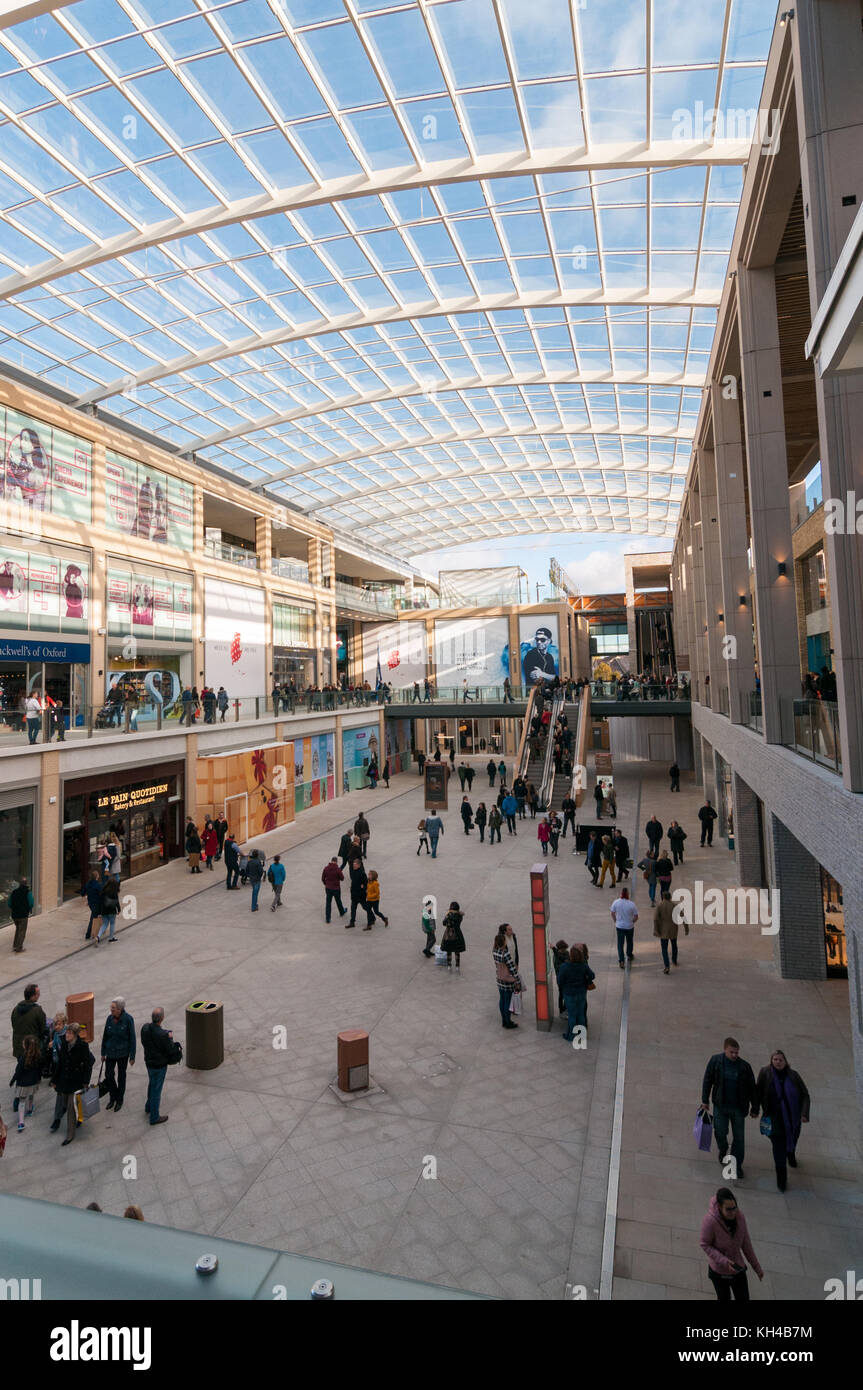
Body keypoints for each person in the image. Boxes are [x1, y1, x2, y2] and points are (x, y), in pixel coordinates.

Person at [699, 1038, 758, 1179]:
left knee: (739, 1138)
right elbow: (708, 1080)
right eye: (731, 1052)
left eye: (736, 1053)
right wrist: (704, 1100)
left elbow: (752, 1088)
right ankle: (723, 1148)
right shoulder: (716, 1061)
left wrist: (755, 1107)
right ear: (725, 1049)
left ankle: (736, 1166)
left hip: (738, 1108)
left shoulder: (745, 1067)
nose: (734, 1055)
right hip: (721, 1105)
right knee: (719, 1130)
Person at [753, 1050, 810, 1192]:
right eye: (775, 1059)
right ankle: (782, 1179)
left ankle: (791, 1154)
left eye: (780, 1060)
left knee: (792, 1139)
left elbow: (805, 1095)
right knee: (778, 1150)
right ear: (771, 1061)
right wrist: (755, 1109)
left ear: (786, 1062)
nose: (778, 1062)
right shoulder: (765, 1073)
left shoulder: (793, 1075)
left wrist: (804, 1114)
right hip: (774, 1119)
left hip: (792, 1118)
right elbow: (758, 1092)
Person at [700, 1188, 763, 1302]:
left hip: (737, 1268)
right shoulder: (710, 1221)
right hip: (719, 1272)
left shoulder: (740, 1217)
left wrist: (756, 1267)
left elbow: (746, 1244)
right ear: (719, 1207)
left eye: (735, 1208)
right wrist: (723, 1260)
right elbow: (705, 1244)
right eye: (728, 1209)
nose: (733, 1212)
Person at [50, 1022, 94, 1146]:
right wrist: (54, 1080)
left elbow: (88, 1065)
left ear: (74, 1035)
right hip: (64, 1080)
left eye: (69, 1033)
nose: (66, 1034)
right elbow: (60, 1064)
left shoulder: (82, 1046)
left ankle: (70, 1135)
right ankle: (79, 1116)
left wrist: (86, 1081)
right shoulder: (64, 1044)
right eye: (67, 1032)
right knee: (65, 1103)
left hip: (76, 1081)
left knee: (70, 1108)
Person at [100, 997, 136, 1113]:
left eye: (113, 1008)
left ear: (120, 1009)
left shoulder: (128, 1019)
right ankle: (113, 1096)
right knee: (109, 1075)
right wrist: (103, 1052)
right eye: (111, 1007)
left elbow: (132, 1039)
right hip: (110, 1052)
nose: (111, 1010)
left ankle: (119, 1099)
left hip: (122, 1053)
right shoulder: (109, 1019)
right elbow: (105, 1036)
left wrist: (132, 1056)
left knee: (121, 1076)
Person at [140, 1007, 174, 1126]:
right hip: (159, 1065)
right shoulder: (163, 1035)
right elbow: (170, 1050)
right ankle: (154, 1116)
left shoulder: (145, 1028)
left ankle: (148, 1106)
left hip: (149, 1063)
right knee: (156, 1090)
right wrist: (170, 1038)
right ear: (162, 1018)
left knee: (152, 1083)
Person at [558, 945, 595, 1042]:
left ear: (570, 956)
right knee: (581, 1014)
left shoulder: (565, 967)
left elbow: (560, 981)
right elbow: (592, 975)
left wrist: (565, 987)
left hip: (569, 994)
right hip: (581, 992)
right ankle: (581, 1034)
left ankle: (570, 1036)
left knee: (572, 1015)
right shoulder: (583, 965)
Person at [10, 1035, 41, 1131]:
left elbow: (18, 1071)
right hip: (34, 1082)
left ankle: (21, 1122)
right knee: (31, 1095)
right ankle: (30, 1109)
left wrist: (13, 1080)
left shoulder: (23, 1058)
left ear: (26, 1046)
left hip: (23, 1084)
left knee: (22, 1102)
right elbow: (40, 1069)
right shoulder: (39, 1056)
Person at [493, 929, 522, 1029]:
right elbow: (512, 968)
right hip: (508, 980)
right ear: (504, 942)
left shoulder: (495, 951)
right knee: (508, 1001)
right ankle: (508, 1021)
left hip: (500, 979)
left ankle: (503, 1020)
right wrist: (517, 980)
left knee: (502, 999)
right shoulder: (505, 953)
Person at [653, 890, 688, 973]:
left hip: (663, 930)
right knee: (674, 945)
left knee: (664, 948)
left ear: (663, 897)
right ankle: (674, 960)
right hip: (673, 929)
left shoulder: (659, 906)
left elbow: (655, 919)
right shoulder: (674, 905)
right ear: (670, 897)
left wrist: (656, 930)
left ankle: (667, 966)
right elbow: (683, 916)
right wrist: (686, 928)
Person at [11, 983, 46, 1060]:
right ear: (32, 996)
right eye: (38, 993)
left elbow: (13, 1025)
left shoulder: (15, 1009)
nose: (39, 995)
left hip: (18, 1047)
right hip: (32, 1047)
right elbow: (43, 1029)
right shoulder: (37, 1010)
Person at [610, 886, 638, 968]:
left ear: (621, 894)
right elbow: (636, 916)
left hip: (620, 926)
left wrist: (615, 920)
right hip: (629, 926)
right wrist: (632, 921)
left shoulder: (616, 902)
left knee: (620, 944)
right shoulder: (631, 904)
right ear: (628, 894)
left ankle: (621, 960)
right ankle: (629, 955)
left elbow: (612, 913)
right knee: (629, 941)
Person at [8, 876, 33, 953]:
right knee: (22, 931)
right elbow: (31, 903)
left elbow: (9, 904)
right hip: (23, 915)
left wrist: (15, 908)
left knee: (18, 929)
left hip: (15, 915)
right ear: (26, 884)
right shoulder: (28, 893)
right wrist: (28, 909)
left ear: (19, 884)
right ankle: (19, 948)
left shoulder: (14, 892)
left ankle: (15, 945)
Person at [348, 857, 374, 929]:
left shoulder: (362, 873)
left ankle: (372, 918)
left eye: (355, 864)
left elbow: (365, 884)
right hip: (354, 895)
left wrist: (362, 888)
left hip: (360, 895)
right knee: (353, 909)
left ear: (359, 865)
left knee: (365, 907)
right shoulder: (353, 871)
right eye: (353, 864)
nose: (354, 865)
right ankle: (352, 922)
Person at [95, 874, 120, 945]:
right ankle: (111, 938)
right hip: (112, 910)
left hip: (104, 910)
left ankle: (98, 936)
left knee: (104, 924)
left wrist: (99, 911)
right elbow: (117, 902)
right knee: (112, 923)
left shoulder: (103, 891)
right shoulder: (114, 892)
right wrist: (119, 909)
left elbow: (100, 901)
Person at [441, 902, 466, 970]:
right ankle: (457, 966)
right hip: (457, 934)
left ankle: (449, 965)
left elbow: (444, 923)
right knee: (457, 951)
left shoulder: (449, 916)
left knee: (449, 950)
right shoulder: (459, 916)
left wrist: (447, 915)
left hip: (448, 935)